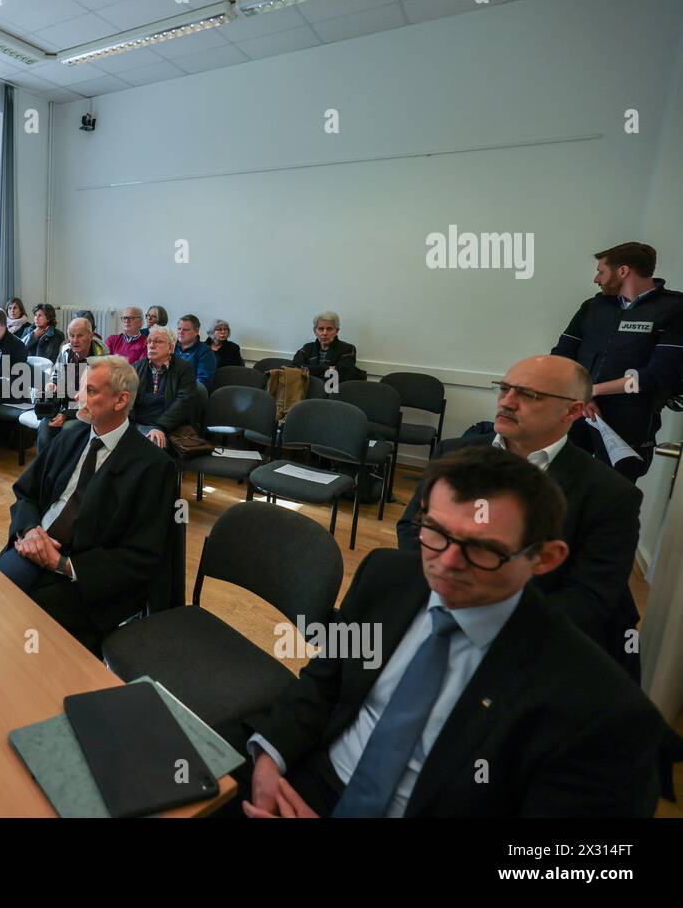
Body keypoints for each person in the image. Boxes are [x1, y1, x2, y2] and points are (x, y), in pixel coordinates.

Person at [240, 446, 665, 818]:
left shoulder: (603, 711)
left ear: (545, 558)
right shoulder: (386, 577)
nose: (444, 564)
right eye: (436, 532)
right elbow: (323, 683)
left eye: (482, 548)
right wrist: (268, 761)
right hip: (307, 785)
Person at [396, 355, 643, 677]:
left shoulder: (610, 494)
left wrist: (486, 621)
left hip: (527, 647)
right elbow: (411, 527)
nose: (507, 402)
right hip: (439, 614)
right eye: (505, 389)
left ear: (573, 410)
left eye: (529, 395)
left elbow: (588, 597)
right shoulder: (453, 453)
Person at [0, 355, 179, 657]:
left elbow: (143, 553)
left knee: (26, 636)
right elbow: (26, 492)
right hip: (35, 543)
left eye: (91, 391)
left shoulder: (153, 467)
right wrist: (30, 531)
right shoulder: (71, 437)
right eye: (82, 389)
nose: (79, 397)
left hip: (87, 574)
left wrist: (64, 565)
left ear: (121, 401)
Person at [551, 242, 683, 481]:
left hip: (629, 416)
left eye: (601, 271)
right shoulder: (593, 306)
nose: (596, 279)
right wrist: (581, 393)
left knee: (613, 490)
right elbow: (562, 354)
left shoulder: (674, 309)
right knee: (558, 481)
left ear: (623, 271)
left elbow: (659, 373)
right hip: (577, 406)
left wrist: (591, 390)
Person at [132, 325, 197, 452]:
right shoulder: (136, 367)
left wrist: (160, 426)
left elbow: (184, 402)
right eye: (149, 341)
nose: (151, 345)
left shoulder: (184, 369)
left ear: (171, 348)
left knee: (152, 444)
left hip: (170, 426)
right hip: (138, 424)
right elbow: (128, 399)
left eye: (158, 342)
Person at [36, 316, 94, 452]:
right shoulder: (65, 351)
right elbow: (56, 373)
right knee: (44, 429)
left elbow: (94, 399)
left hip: (85, 411)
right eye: (72, 336)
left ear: (90, 335)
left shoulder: (102, 358)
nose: (75, 340)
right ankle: (42, 470)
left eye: (80, 336)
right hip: (62, 406)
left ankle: (63, 471)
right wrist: (53, 383)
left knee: (67, 431)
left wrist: (67, 414)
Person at [292, 311, 359, 381]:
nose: (324, 333)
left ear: (336, 331)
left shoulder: (348, 349)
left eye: (329, 329)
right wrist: (331, 368)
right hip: (309, 389)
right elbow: (295, 367)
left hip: (334, 390)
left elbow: (343, 373)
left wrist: (309, 369)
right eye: (321, 329)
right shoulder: (307, 348)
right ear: (315, 331)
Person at [174, 314, 217, 387]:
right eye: (179, 328)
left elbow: (203, 381)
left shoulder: (205, 352)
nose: (180, 332)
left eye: (185, 330)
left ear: (196, 331)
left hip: (190, 392)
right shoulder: (171, 347)